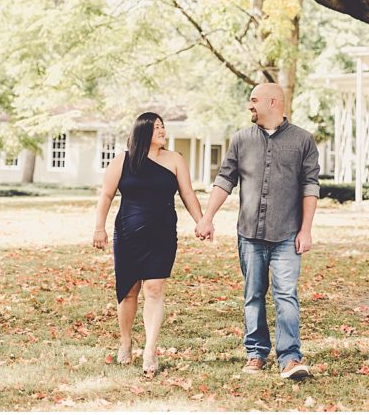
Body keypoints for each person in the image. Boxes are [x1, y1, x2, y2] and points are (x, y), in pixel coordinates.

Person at [194, 83, 319, 380]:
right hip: (249, 233)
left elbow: (310, 186)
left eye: (254, 100)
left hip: (287, 233)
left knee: (286, 295)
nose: (249, 106)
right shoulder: (241, 139)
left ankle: (290, 358)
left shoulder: (303, 140)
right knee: (253, 294)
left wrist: (306, 230)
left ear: (272, 102)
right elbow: (225, 180)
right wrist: (207, 218)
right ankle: (256, 353)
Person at [92, 112, 204, 376]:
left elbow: (187, 193)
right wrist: (99, 227)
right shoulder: (123, 160)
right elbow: (106, 195)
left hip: (162, 234)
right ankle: (126, 341)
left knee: (154, 289)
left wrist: (202, 221)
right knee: (129, 291)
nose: (162, 131)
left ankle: (150, 350)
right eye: (156, 127)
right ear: (143, 132)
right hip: (128, 234)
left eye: (163, 126)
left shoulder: (175, 159)